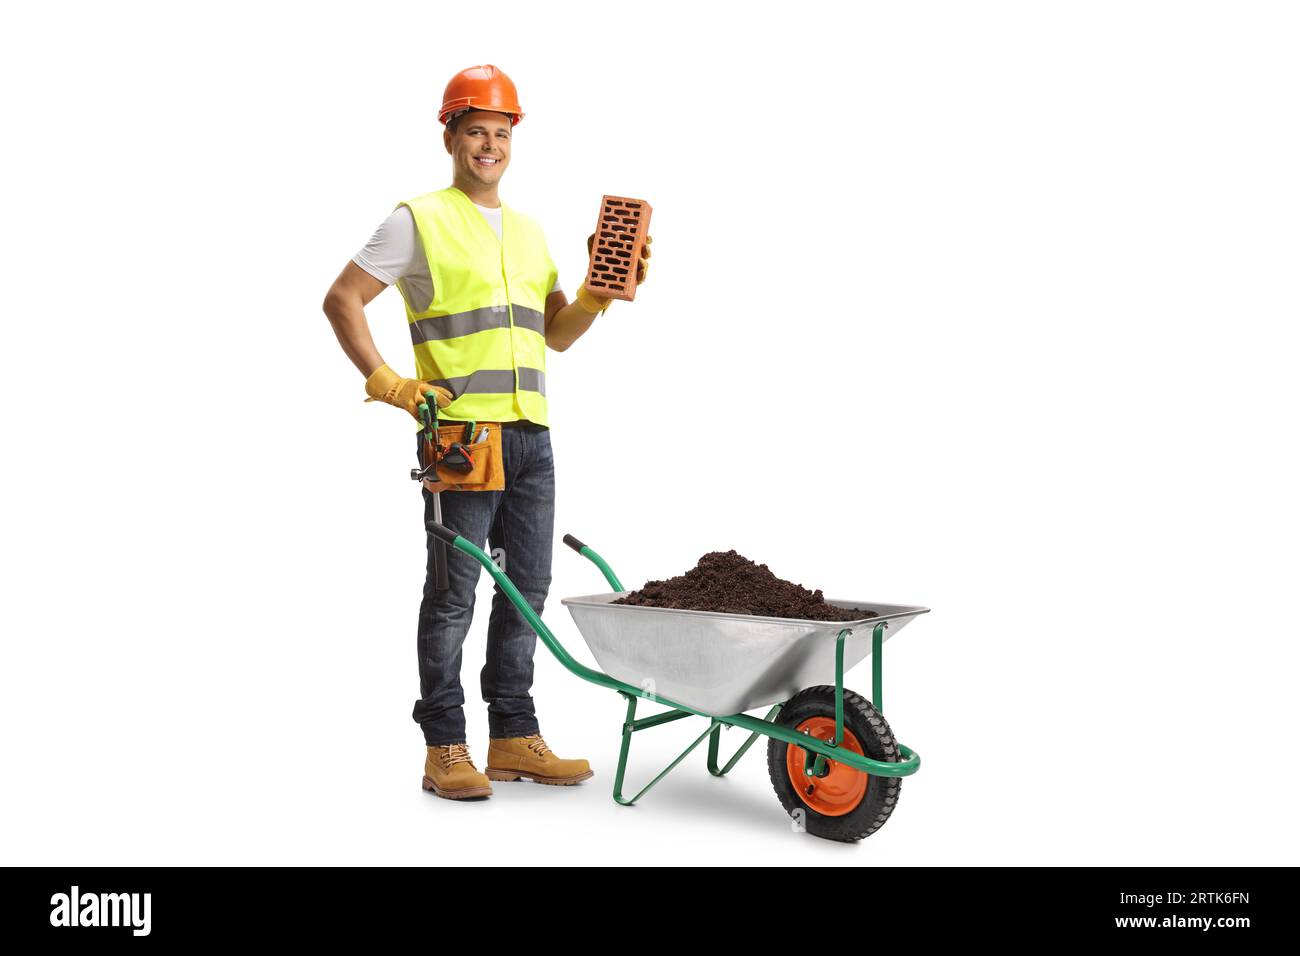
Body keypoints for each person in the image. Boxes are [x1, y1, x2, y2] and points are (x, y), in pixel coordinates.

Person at [321, 64, 651, 801]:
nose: (489, 145)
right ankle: (445, 745)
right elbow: (342, 300)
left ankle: (512, 736)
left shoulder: (531, 233)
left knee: (527, 589)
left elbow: (556, 335)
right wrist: (391, 385)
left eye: (501, 133)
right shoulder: (418, 217)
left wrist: (599, 292)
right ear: (451, 136)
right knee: (453, 595)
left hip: (531, 435)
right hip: (462, 439)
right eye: (476, 131)